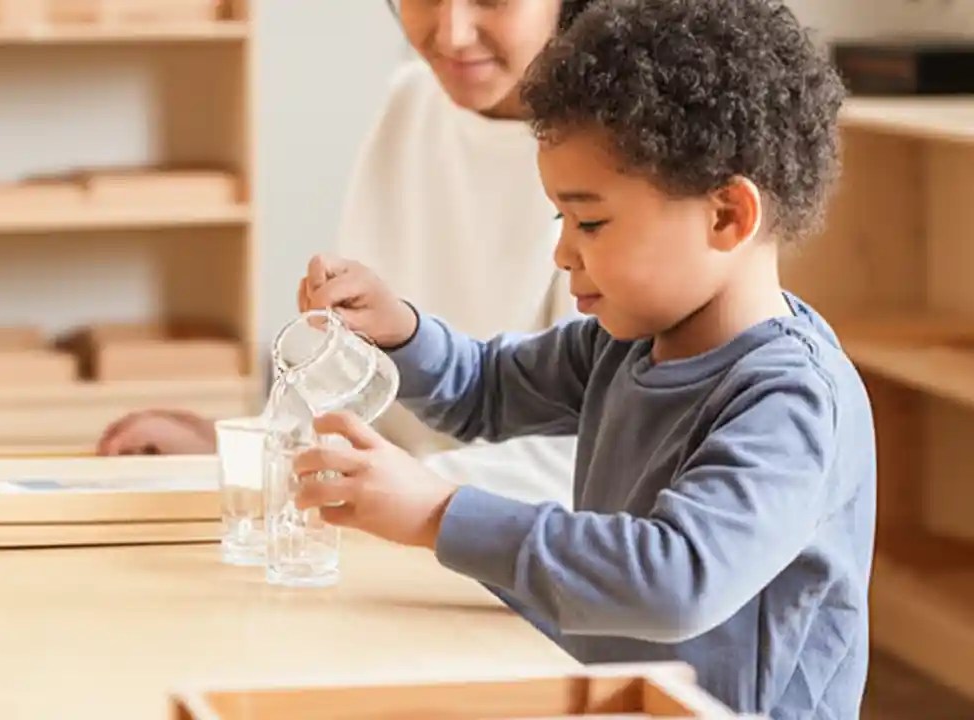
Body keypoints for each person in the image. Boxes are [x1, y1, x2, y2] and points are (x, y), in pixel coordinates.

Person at [289, 0, 874, 717]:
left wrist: (439, 513)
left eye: (589, 221)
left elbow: (674, 580)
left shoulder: (789, 401)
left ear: (727, 216)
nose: (564, 250)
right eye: (560, 219)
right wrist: (399, 332)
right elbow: (485, 389)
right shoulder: (626, 340)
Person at [96, 0, 597, 505]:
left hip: (493, 547)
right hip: (382, 520)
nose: (452, 35)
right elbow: (357, 378)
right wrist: (261, 448)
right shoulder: (412, 102)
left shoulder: (616, 162)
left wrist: (332, 475)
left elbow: (589, 460)